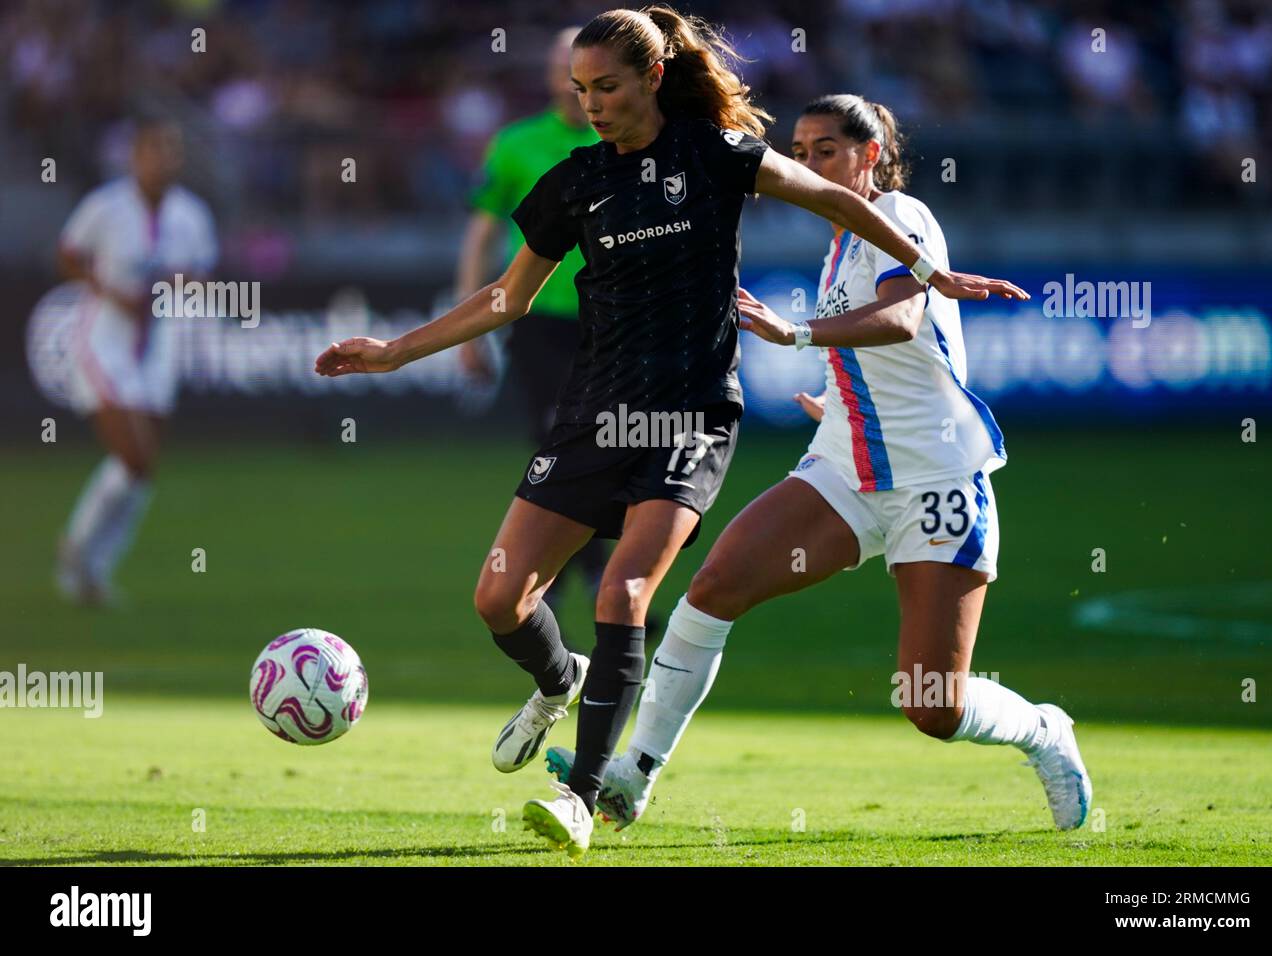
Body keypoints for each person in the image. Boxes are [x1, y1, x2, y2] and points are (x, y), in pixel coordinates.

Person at [315, 9, 1027, 858]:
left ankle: (583, 795)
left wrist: (928, 270)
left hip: (691, 416)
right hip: (594, 413)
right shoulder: (575, 181)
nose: (591, 105)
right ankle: (560, 679)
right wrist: (394, 352)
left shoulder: (714, 154)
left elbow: (834, 198)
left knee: (623, 593)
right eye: (580, 90)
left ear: (652, 78)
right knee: (499, 600)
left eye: (607, 87)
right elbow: (509, 297)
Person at [547, 94, 1091, 835]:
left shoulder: (900, 214)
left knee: (932, 704)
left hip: (934, 477)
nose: (808, 165)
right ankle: (632, 776)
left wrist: (796, 332)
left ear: (871, 155)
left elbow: (902, 319)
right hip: (845, 468)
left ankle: (1044, 731)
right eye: (799, 153)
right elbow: (889, 355)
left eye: (826, 150)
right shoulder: (840, 243)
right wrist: (836, 404)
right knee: (713, 587)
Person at [457, 26, 611, 621]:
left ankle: (563, 574)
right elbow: (482, 231)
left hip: (611, 324)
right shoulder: (516, 144)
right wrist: (470, 322)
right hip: (539, 322)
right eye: (565, 70)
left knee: (600, 442)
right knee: (557, 438)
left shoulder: (624, 143)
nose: (574, 84)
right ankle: (587, 573)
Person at [54, 116, 218, 607]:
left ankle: (95, 569)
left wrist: (176, 285)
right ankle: (77, 548)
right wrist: (109, 291)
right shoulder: (105, 207)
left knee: (140, 471)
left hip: (157, 348)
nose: (164, 160)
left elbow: (203, 278)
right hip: (106, 342)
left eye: (172, 151)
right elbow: (68, 255)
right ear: (135, 157)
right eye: (154, 150)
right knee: (134, 456)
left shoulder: (191, 215)